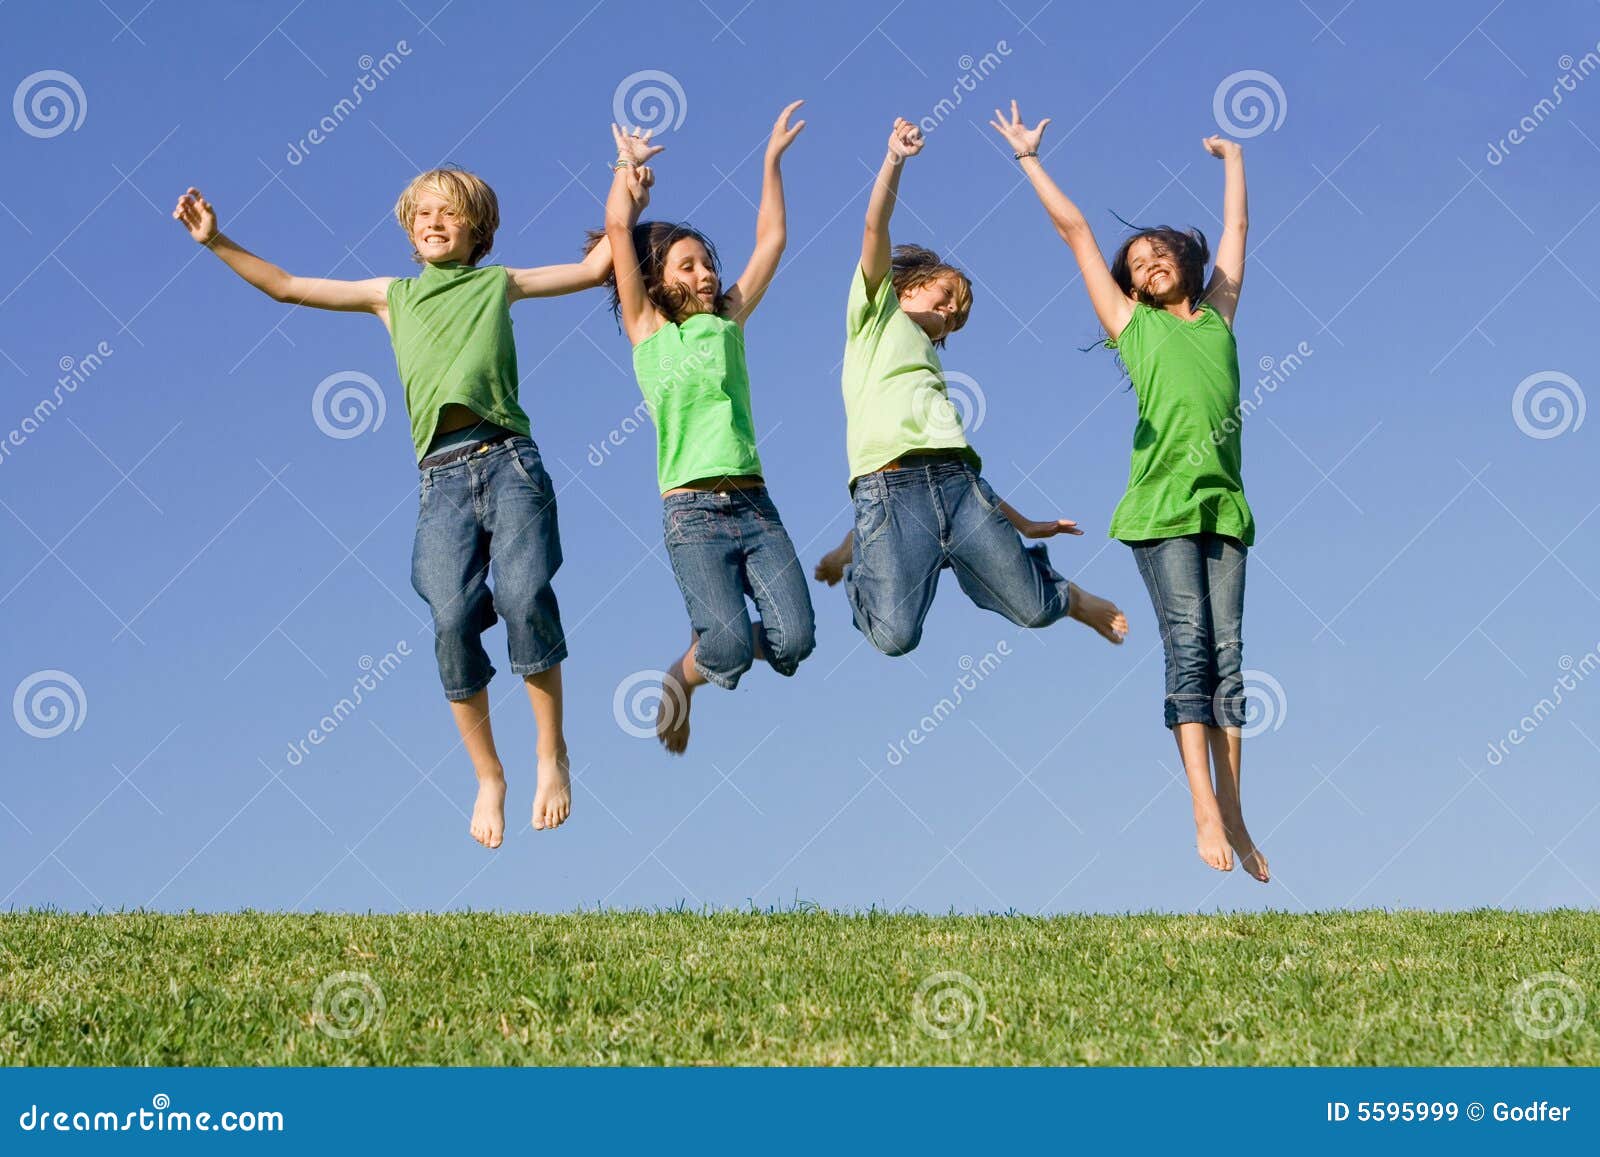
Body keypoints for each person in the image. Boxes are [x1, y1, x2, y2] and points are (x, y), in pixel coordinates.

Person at [171, 166, 612, 847]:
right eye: (422, 214)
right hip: (439, 480)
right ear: (409, 231)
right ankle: (488, 774)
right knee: (450, 619)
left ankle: (550, 753)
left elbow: (595, 268)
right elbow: (287, 287)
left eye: (450, 213)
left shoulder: (501, 283)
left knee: (525, 596)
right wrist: (216, 240)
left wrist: (625, 184)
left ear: (478, 230)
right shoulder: (392, 296)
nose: (433, 221)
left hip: (509, 462)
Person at [989, 100, 1268, 881]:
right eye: (1136, 263)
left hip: (1226, 507)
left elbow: (1239, 237)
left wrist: (1233, 160)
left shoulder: (1217, 315)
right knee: (1189, 655)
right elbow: (1077, 232)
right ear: (1130, 287)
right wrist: (1029, 158)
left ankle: (1238, 808)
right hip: (1161, 510)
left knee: (1230, 659)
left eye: (1158, 254)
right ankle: (1202, 809)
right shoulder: (1130, 326)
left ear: (1183, 259)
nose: (1146, 264)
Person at [813, 117, 1128, 666]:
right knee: (894, 637)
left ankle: (1070, 597)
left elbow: (959, 467)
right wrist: (894, 159)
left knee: (1032, 608)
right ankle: (862, 551)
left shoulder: (931, 367)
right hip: (889, 490)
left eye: (958, 317)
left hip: (960, 486)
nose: (951, 312)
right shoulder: (875, 318)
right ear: (905, 287)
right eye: (946, 296)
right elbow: (873, 230)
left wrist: (1024, 522)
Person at [594, 105, 816, 755]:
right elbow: (615, 226)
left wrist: (771, 162)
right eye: (687, 265)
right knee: (725, 648)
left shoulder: (728, 320)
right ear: (657, 278)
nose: (704, 272)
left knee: (794, 644)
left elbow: (771, 239)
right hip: (691, 511)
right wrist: (628, 166)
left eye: (707, 262)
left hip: (754, 503)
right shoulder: (648, 329)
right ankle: (680, 679)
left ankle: (705, 656)